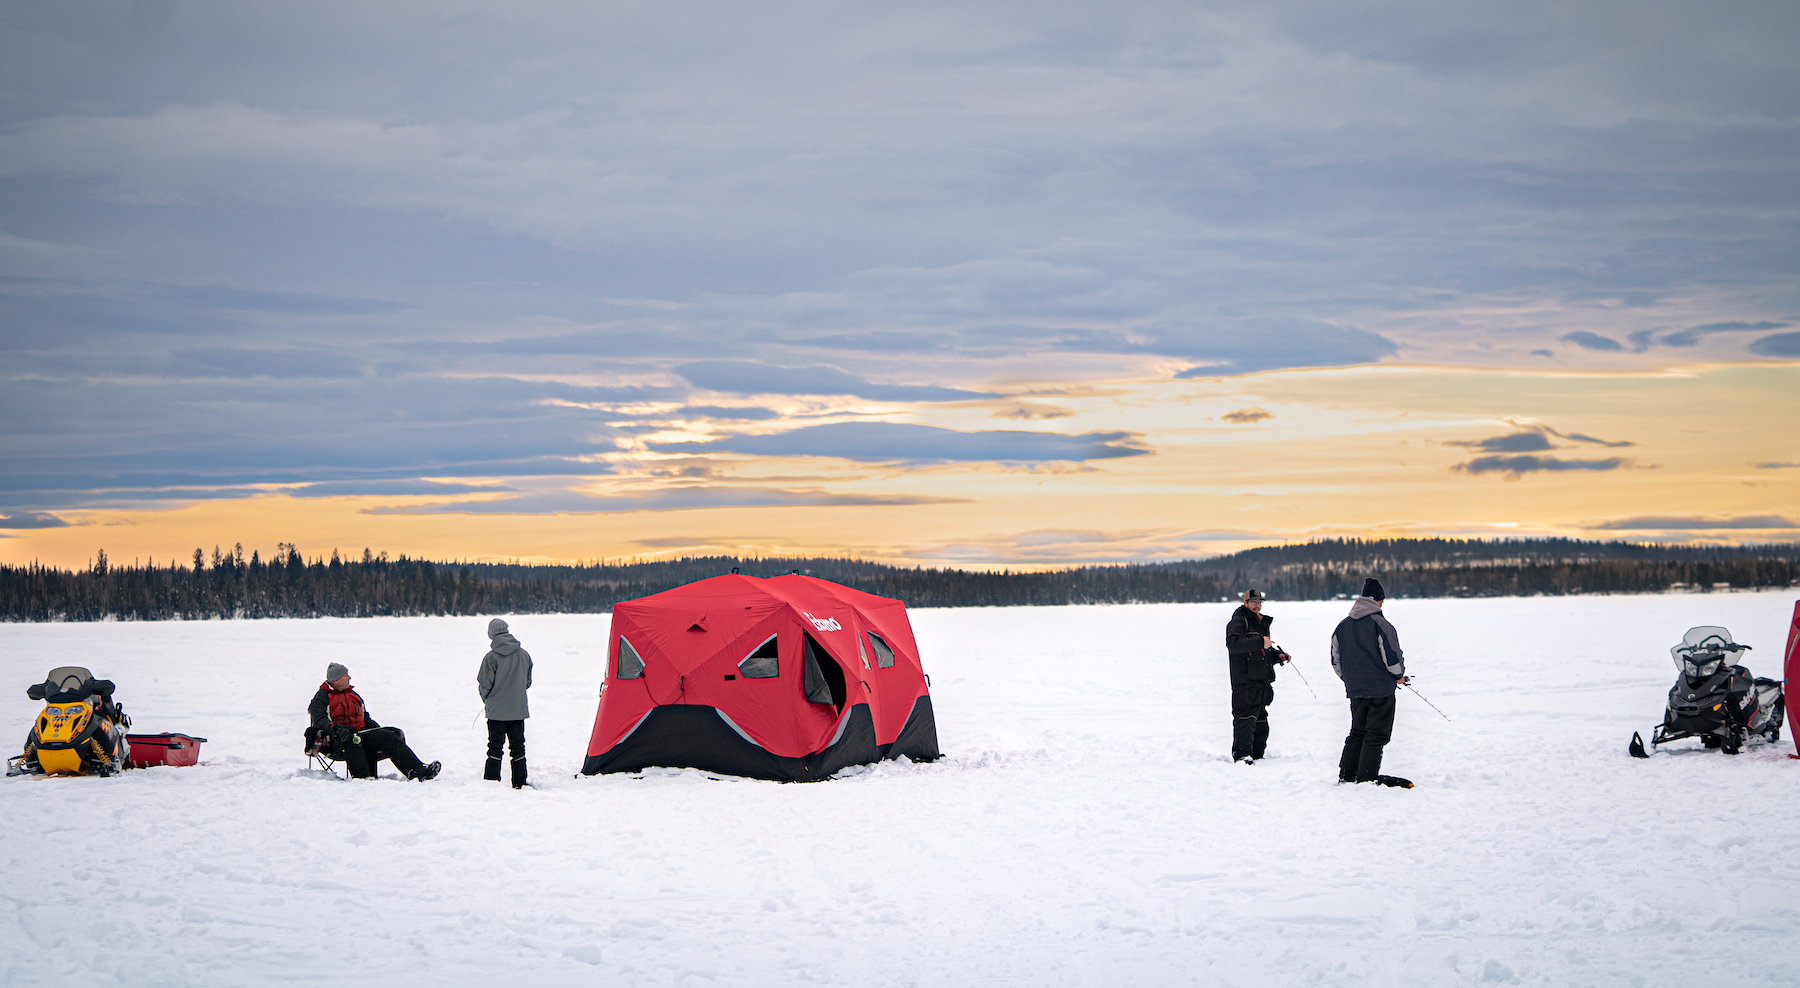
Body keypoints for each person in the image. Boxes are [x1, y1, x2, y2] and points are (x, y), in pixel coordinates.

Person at [1330, 578, 1412, 787]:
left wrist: (1351, 680)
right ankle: (1366, 778)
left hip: (1355, 690)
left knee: (1357, 732)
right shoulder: (1381, 624)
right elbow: (1392, 657)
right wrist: (1399, 676)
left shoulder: (1342, 626)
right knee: (1376, 735)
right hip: (1380, 691)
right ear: (1378, 601)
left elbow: (1335, 661)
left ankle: (1347, 775)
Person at [309, 662, 440, 781]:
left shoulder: (353, 695)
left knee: (389, 735)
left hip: (360, 734)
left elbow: (365, 718)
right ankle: (363, 778)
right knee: (353, 738)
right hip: (338, 740)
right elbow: (320, 720)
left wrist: (377, 730)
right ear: (336, 679)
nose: (349, 678)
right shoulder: (322, 697)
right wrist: (338, 729)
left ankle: (417, 771)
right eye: (346, 675)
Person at [1225, 588, 1288, 764]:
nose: (1257, 605)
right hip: (1244, 681)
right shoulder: (1239, 621)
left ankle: (1257, 754)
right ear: (1245, 603)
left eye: (1259, 602)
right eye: (1254, 602)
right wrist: (1261, 641)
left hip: (1261, 681)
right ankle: (1242, 755)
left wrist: (1277, 656)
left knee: (1261, 722)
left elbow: (1260, 653)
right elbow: (1234, 644)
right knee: (1245, 719)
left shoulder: (1259, 623)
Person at [478, 618, 533, 788]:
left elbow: (484, 684)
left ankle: (492, 782)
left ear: (491, 634)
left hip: (496, 713)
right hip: (518, 711)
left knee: (495, 748)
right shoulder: (524, 654)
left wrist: (488, 701)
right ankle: (520, 782)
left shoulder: (491, 657)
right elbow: (527, 682)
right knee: (518, 747)